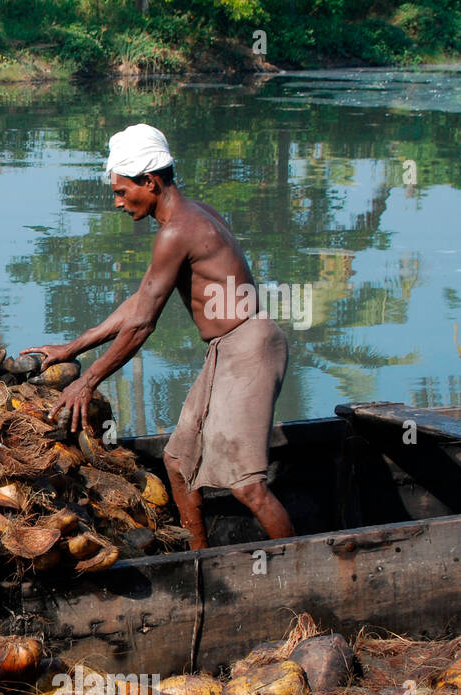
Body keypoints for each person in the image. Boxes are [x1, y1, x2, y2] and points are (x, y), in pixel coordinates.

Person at [22, 123, 293, 550]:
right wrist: (71, 349)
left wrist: (87, 380)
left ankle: (300, 573)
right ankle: (198, 559)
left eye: (121, 191)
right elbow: (139, 303)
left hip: (249, 348)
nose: (117, 202)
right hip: (229, 349)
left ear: (149, 182)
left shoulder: (177, 231)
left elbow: (143, 325)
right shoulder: (189, 217)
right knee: (179, 461)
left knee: (246, 485)